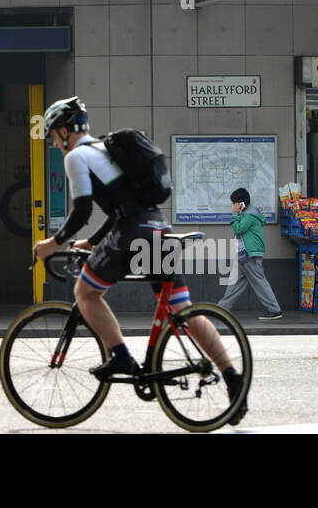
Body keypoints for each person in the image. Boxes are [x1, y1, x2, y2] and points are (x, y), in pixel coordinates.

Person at [31, 97, 248, 424]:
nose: (53, 142)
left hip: (131, 234)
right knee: (181, 310)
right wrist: (91, 242)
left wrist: (52, 243)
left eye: (52, 135)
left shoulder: (77, 156)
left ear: (64, 131)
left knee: (85, 293)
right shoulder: (106, 150)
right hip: (158, 226)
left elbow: (82, 210)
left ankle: (120, 357)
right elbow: (123, 206)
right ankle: (232, 377)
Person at [217, 188, 283, 321]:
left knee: (259, 281)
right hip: (244, 253)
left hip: (249, 254)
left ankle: (274, 309)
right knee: (235, 282)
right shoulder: (249, 213)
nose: (233, 206)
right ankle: (222, 308)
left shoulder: (249, 215)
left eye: (234, 203)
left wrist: (235, 214)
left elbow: (239, 229)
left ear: (240, 204)